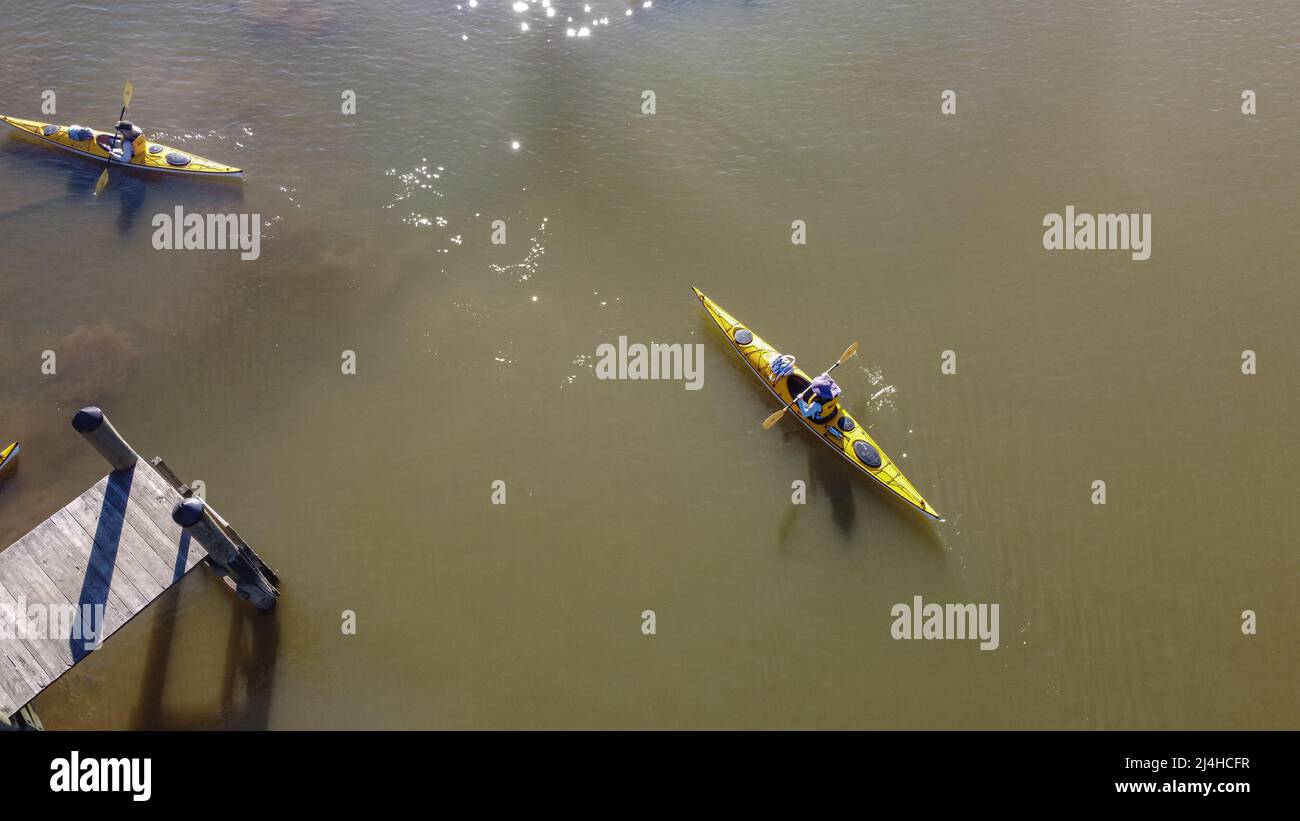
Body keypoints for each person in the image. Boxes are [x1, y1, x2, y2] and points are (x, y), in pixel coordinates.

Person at [797, 372, 843, 438]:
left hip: (820, 418)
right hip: (831, 411)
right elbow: (831, 382)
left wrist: (800, 400)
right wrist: (825, 377)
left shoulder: (816, 405)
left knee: (802, 400)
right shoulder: (838, 392)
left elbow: (804, 414)